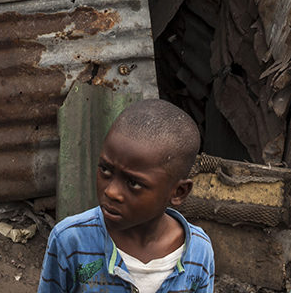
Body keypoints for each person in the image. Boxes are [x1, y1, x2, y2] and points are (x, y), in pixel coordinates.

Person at [38, 100, 214, 293]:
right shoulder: (70, 241)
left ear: (178, 192)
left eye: (133, 183)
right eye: (105, 170)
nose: (111, 192)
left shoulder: (198, 252)